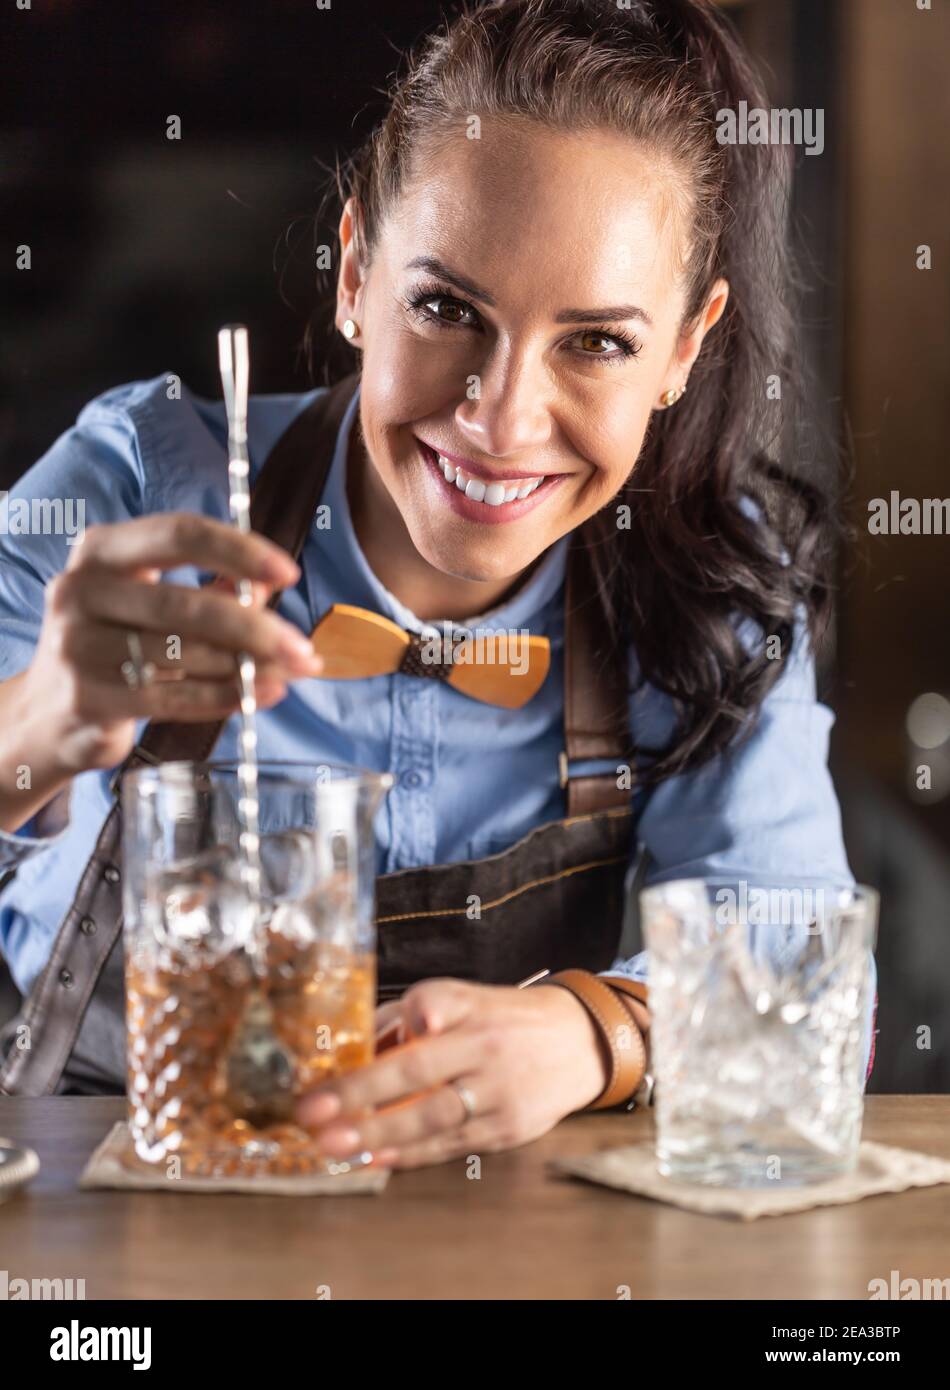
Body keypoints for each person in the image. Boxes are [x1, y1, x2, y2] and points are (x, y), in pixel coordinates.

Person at [0, 0, 875, 1166]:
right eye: (445, 308)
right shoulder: (126, 490)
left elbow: (808, 987)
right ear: (356, 272)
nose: (502, 419)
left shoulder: (709, 572)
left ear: (680, 349)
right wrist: (40, 729)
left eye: (597, 341)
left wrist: (587, 1030)